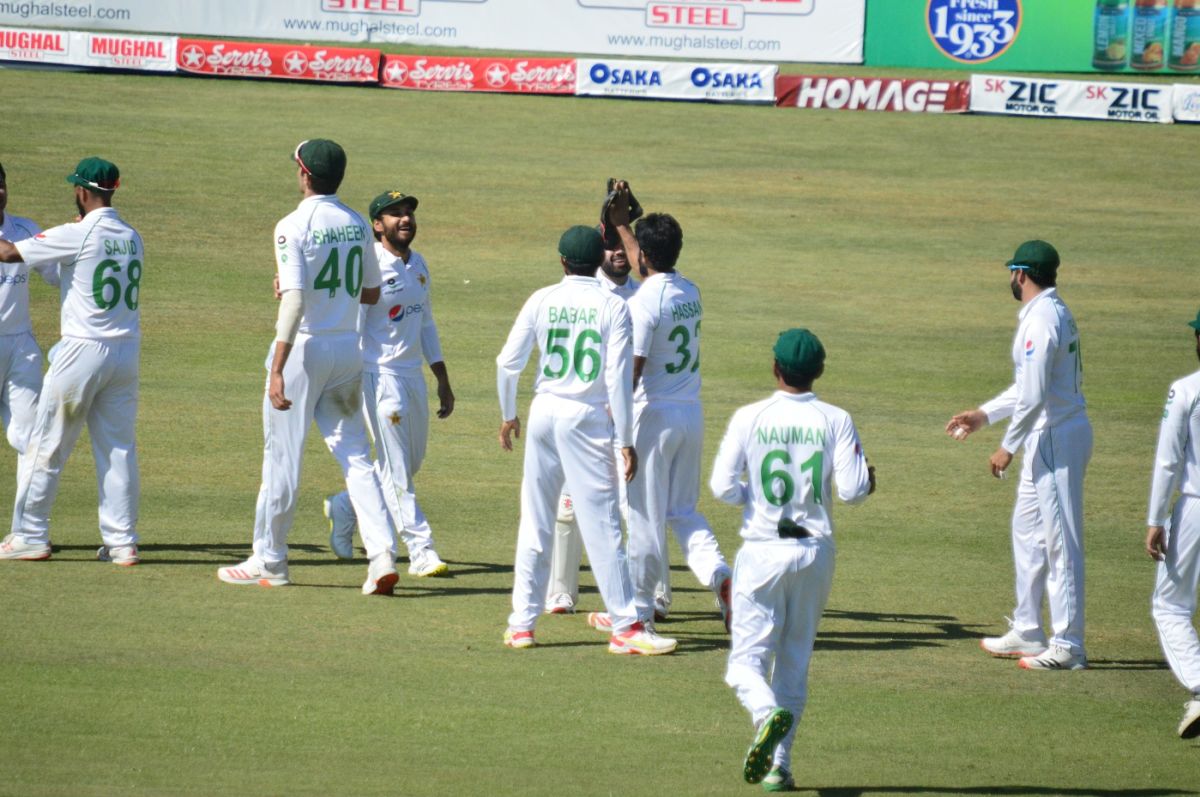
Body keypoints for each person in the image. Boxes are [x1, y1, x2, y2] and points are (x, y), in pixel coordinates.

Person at [217, 139, 398, 595]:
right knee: (357, 457)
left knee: (282, 458)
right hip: (346, 350)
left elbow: (295, 300)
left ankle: (271, 560)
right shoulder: (359, 222)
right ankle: (381, 557)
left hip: (305, 350)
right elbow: (372, 294)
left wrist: (277, 366)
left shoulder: (293, 224)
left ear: (304, 174)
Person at [496, 224, 675, 655]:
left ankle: (521, 624)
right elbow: (617, 379)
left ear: (561, 261)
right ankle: (626, 627)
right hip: (587, 417)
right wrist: (626, 440)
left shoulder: (542, 298)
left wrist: (508, 415)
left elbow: (507, 363)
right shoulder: (612, 305)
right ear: (599, 259)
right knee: (604, 525)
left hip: (543, 411)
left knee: (536, 519)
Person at [711, 328, 874, 791]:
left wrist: (752, 497)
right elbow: (854, 490)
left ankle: (766, 715)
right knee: (794, 661)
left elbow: (722, 487)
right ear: (818, 371)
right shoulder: (835, 418)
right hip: (815, 552)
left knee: (745, 663)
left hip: (763, 550)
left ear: (775, 368)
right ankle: (779, 766)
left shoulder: (749, 416)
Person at [947, 240, 1092, 670]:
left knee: (1061, 543)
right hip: (1047, 435)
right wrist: (983, 415)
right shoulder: (1047, 313)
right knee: (1027, 531)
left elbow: (1033, 394)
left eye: (1012, 271)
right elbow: (1029, 384)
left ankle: (1069, 645)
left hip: (1056, 437)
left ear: (1021, 274)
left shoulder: (1042, 320)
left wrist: (1007, 446)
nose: (1011, 279)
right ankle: (1029, 630)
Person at [590, 193, 731, 633]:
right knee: (683, 512)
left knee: (645, 518)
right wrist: (624, 224)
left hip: (653, 418)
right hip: (691, 414)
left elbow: (630, 374)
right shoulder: (691, 290)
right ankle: (722, 579)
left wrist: (618, 430)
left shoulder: (642, 303)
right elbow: (645, 262)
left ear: (645, 257)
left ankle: (637, 612)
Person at [0, 157, 142, 565]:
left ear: (81, 192)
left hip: (82, 351)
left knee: (47, 445)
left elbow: (9, 253)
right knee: (117, 449)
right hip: (126, 351)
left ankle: (29, 534)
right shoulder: (133, 236)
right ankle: (122, 542)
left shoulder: (78, 233)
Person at [323, 189, 454, 578]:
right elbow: (355, 327)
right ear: (377, 226)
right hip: (378, 377)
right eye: (394, 214)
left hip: (412, 376)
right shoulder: (370, 269)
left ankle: (346, 506)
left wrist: (442, 377)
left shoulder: (419, 265)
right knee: (397, 471)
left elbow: (426, 322)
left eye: (409, 212)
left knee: (408, 465)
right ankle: (420, 549)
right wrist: (349, 378)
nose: (405, 219)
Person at [544, 212, 641, 615]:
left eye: (622, 246)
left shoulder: (643, 294)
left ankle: (648, 595)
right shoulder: (586, 294)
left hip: (633, 417)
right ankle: (561, 591)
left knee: (633, 510)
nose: (617, 252)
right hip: (585, 418)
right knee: (569, 508)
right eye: (609, 246)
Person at [1145, 309, 1200, 740]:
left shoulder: (1186, 390)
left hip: (1196, 507)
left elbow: (1168, 460)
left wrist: (1155, 518)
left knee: (1170, 606)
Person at [0, 162, 57, 497]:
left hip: (20, 348)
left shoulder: (25, 230)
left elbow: (56, 275)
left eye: (2, 183)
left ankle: (28, 530)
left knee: (32, 436)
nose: (0, 192)